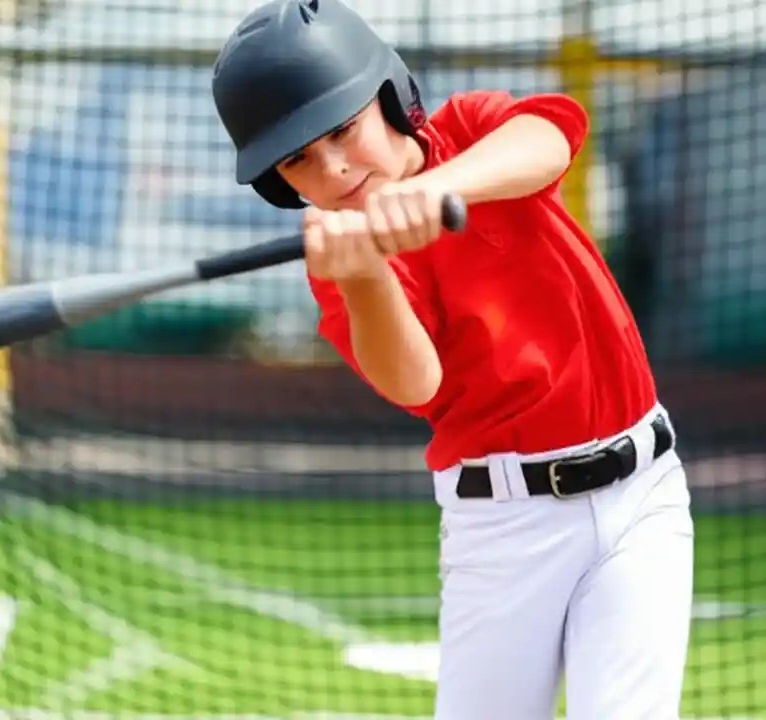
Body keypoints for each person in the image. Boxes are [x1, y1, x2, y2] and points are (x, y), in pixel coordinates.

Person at [211, 1, 695, 719]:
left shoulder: (466, 131)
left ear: (388, 98)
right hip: (505, 532)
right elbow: (419, 383)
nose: (335, 168)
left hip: (643, 492)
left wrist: (429, 190)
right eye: (298, 160)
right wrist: (367, 268)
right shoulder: (338, 261)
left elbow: (553, 138)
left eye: (344, 129)